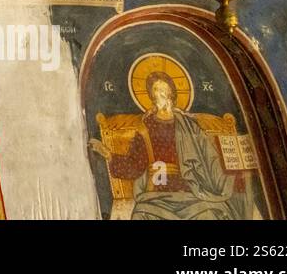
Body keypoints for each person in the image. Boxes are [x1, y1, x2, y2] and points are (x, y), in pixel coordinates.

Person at [90, 71, 250, 220]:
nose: (161, 95)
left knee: (210, 214)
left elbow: (210, 157)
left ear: (172, 93)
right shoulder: (146, 127)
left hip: (193, 190)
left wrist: (233, 173)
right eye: (156, 91)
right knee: (142, 215)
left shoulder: (189, 125)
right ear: (151, 96)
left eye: (164, 91)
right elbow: (134, 164)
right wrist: (108, 154)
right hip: (158, 194)